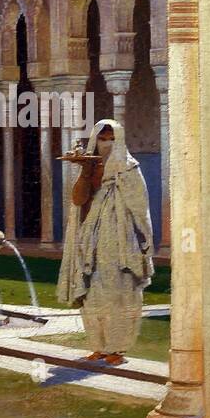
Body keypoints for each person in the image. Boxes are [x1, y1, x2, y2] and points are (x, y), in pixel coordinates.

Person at [57, 118, 154, 366]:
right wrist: (87, 171)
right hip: (91, 238)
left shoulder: (129, 168)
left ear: (119, 140)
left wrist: (145, 240)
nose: (107, 144)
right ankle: (98, 346)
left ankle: (117, 348)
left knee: (119, 294)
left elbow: (140, 207)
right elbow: (79, 201)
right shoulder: (88, 167)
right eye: (102, 139)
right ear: (94, 140)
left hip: (121, 240)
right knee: (92, 294)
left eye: (112, 139)